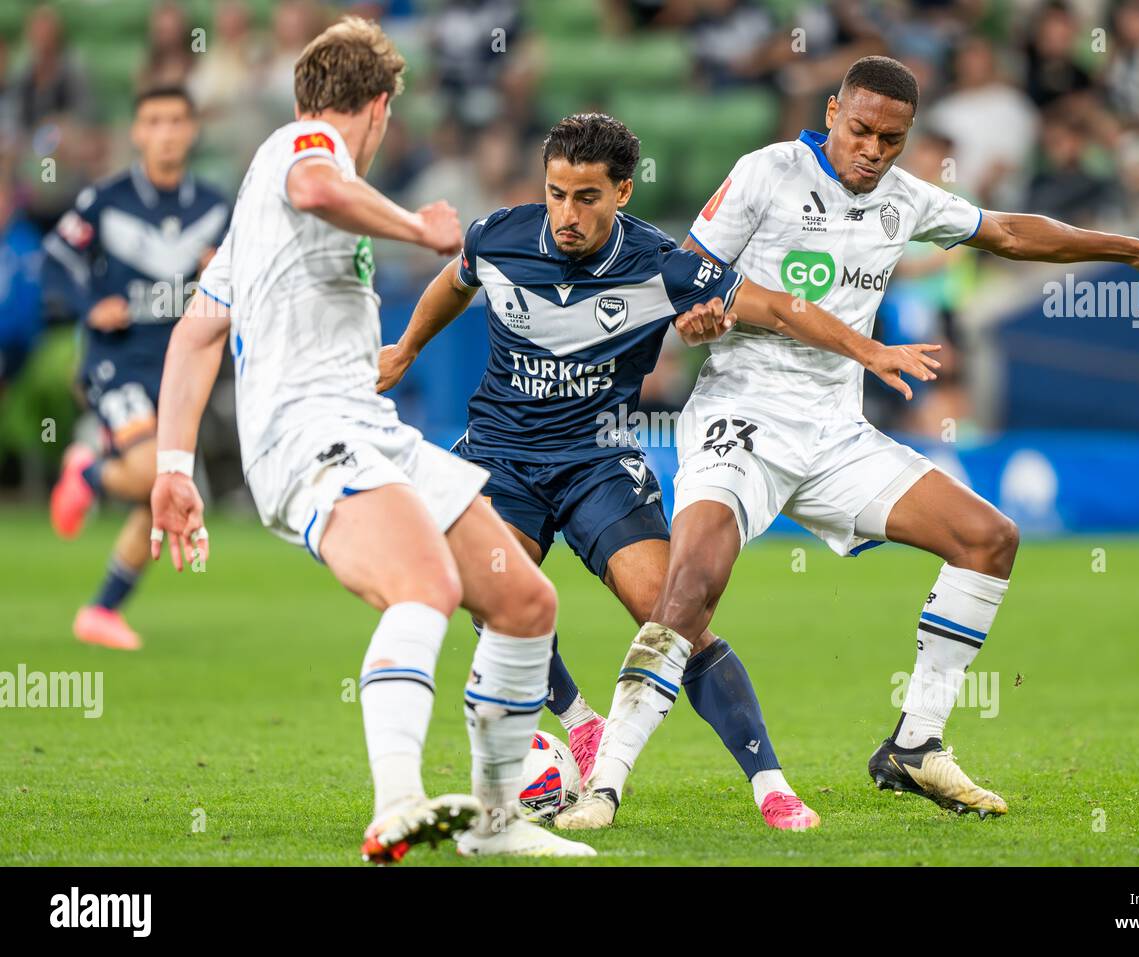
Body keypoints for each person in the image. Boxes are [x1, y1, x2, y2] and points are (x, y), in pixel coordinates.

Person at [560, 55, 1139, 830]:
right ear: (832, 111)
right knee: (691, 586)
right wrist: (700, 317)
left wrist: (1132, 249)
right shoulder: (766, 172)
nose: (872, 149)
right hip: (743, 413)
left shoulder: (905, 199)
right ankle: (605, 782)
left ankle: (915, 742)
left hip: (836, 435)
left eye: (890, 138)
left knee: (988, 538)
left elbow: (1007, 231)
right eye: (860, 129)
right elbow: (690, 273)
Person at [380, 112, 938, 830]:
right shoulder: (499, 236)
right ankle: (581, 720)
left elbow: (776, 306)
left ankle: (770, 782)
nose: (566, 215)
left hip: (597, 461)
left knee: (673, 617)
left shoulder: (663, 265)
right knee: (491, 595)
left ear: (622, 193)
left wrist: (867, 350)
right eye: (555, 194)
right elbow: (455, 281)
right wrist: (404, 350)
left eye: (586, 197)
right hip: (500, 455)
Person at [148, 16, 593, 861]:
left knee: (526, 604)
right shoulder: (304, 151)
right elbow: (321, 186)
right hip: (311, 435)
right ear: (381, 106)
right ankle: (397, 805)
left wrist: (175, 467)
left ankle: (496, 825)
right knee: (422, 586)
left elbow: (196, 335)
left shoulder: (258, 201)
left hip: (368, 430)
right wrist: (419, 227)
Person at [44, 86, 229, 652]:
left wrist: (222, 270)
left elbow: (249, 278)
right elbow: (55, 261)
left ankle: (100, 611)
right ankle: (86, 475)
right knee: (157, 474)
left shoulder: (219, 208)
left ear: (193, 129)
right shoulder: (105, 199)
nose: (167, 132)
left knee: (169, 484)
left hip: (181, 365)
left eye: (177, 120)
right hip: (116, 361)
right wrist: (87, 306)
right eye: (155, 121)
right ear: (137, 132)